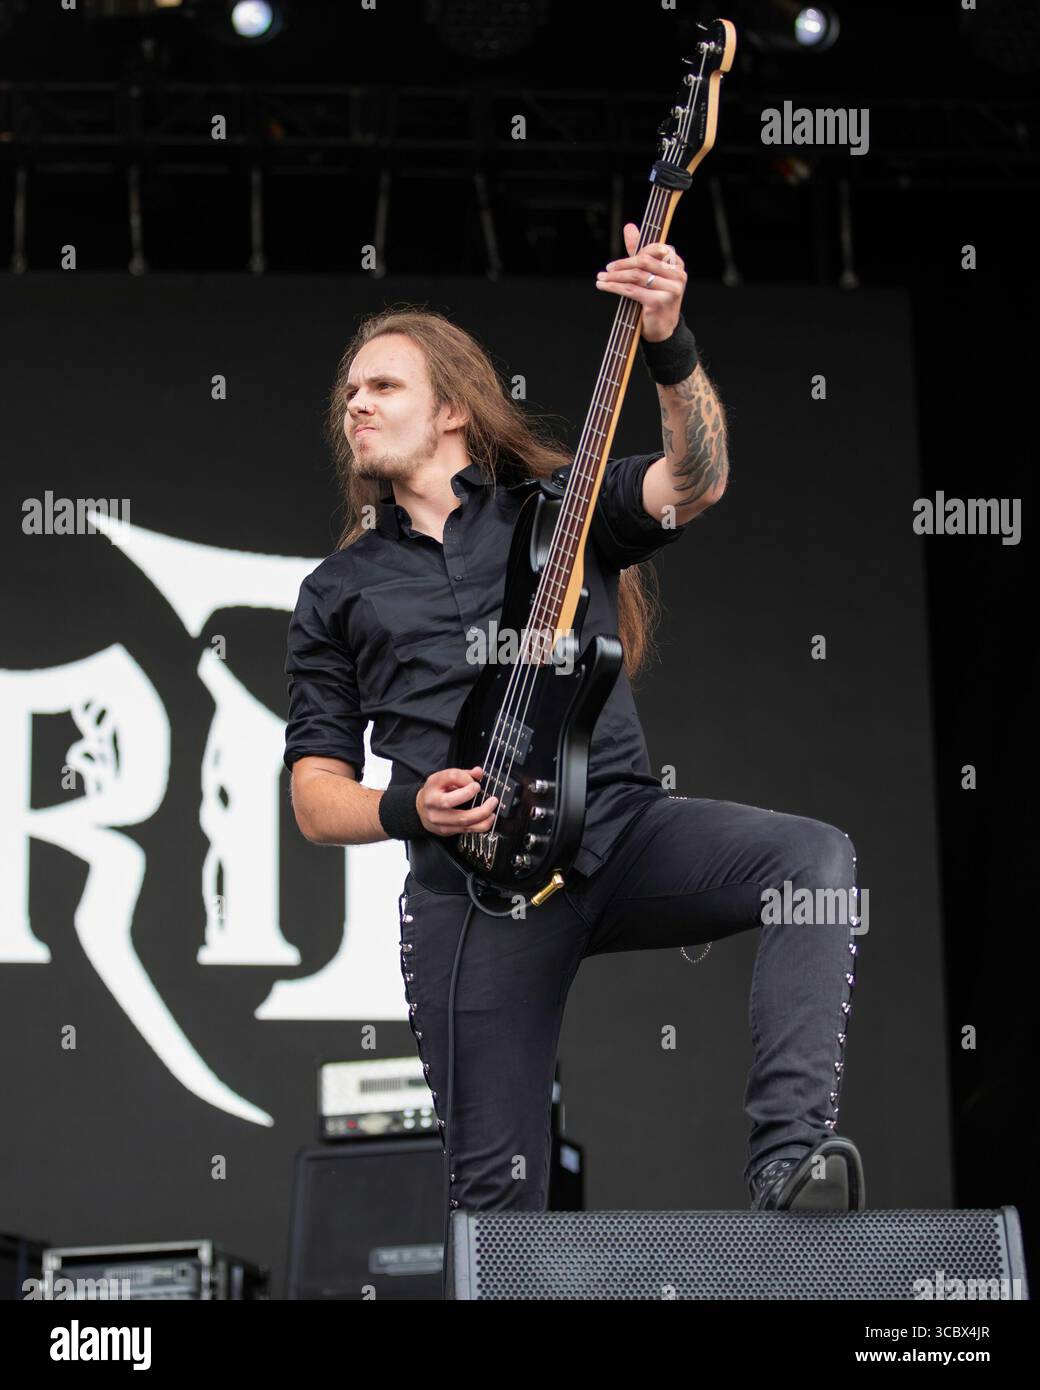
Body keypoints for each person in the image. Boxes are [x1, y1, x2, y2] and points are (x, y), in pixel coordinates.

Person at [283, 225, 865, 1217]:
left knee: (810, 864)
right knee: (497, 1208)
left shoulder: (559, 510)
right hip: (470, 898)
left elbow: (696, 480)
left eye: (382, 386)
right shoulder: (338, 590)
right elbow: (312, 798)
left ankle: (785, 1166)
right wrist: (413, 806)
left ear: (454, 410)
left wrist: (669, 343)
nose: (356, 402)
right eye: (349, 392)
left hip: (618, 830)